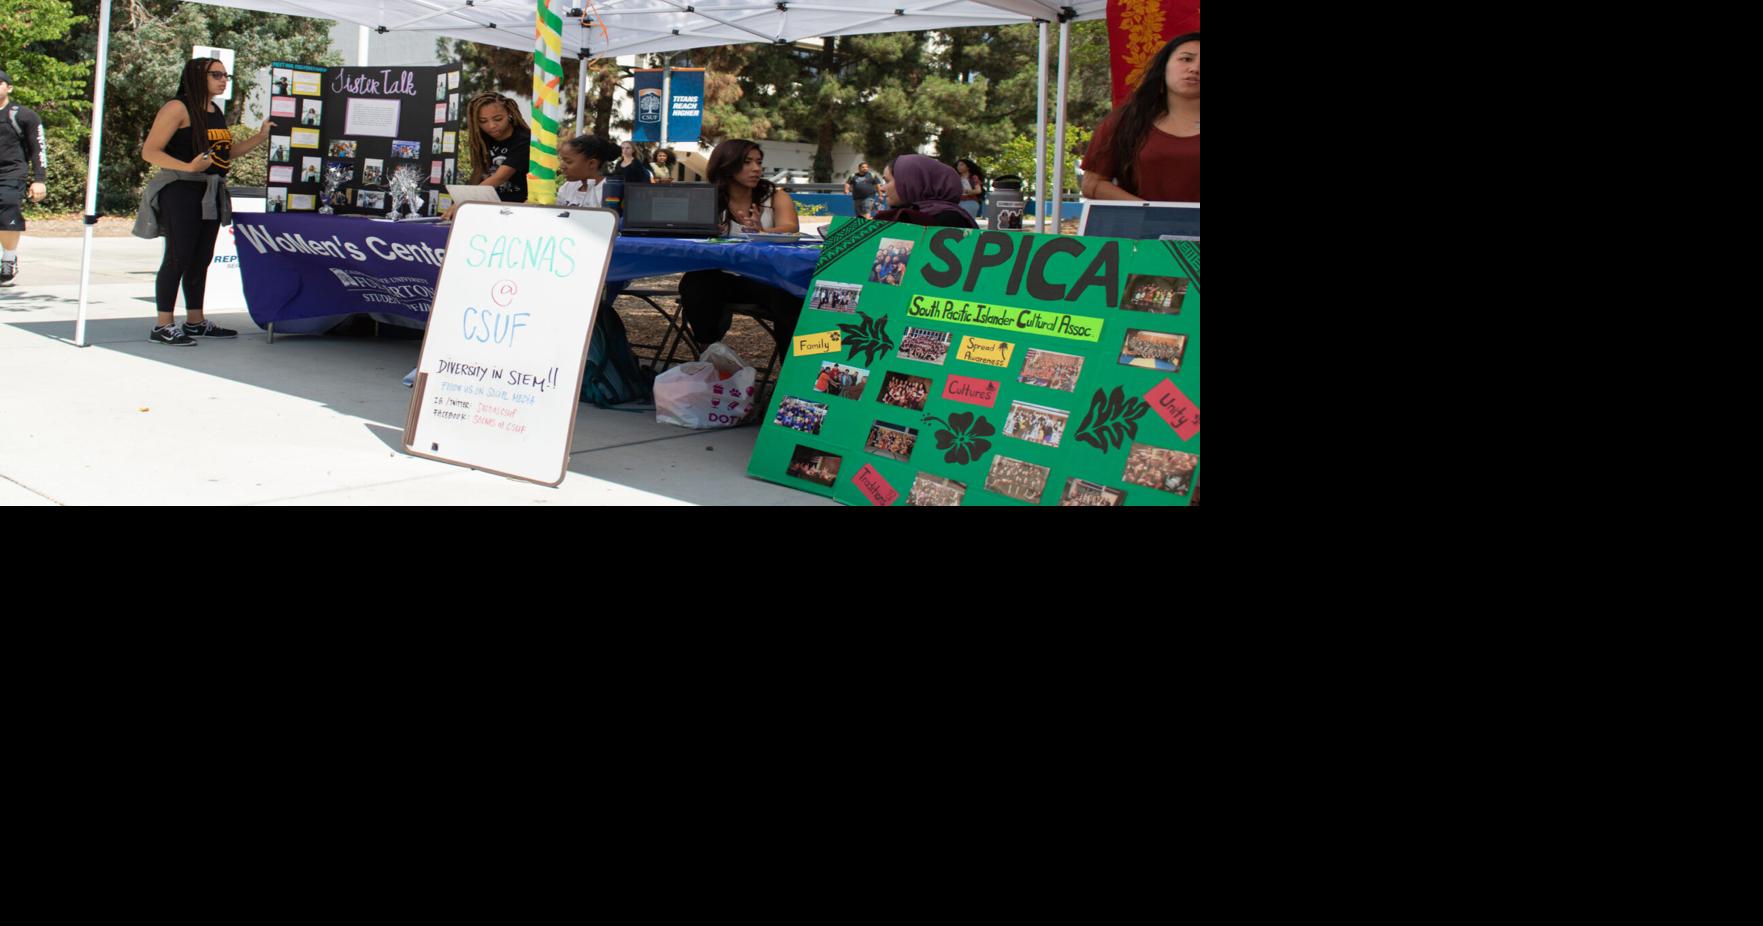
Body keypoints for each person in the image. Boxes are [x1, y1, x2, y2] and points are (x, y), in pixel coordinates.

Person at [134, 58, 274, 345]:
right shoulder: (177, 107)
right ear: (198, 76)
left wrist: (260, 137)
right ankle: (163, 325)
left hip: (209, 191)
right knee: (178, 256)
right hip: (181, 189)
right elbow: (150, 151)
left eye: (226, 75)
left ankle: (195, 321)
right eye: (216, 75)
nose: (224, 80)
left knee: (201, 258)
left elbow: (226, 153)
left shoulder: (214, 110)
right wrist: (187, 167)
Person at [679, 139, 801, 351]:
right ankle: (708, 350)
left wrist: (762, 232)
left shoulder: (775, 196)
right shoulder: (709, 197)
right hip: (725, 278)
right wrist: (704, 231)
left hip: (769, 277)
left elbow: (790, 227)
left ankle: (793, 369)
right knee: (694, 283)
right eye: (747, 162)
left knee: (790, 297)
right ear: (727, 165)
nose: (756, 169)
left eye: (758, 162)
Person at [1079, 32, 1199, 202]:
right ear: (1164, 67)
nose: (1195, 68)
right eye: (1186, 59)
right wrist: (1148, 212)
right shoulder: (1125, 121)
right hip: (1138, 227)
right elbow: (1092, 184)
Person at [0, 69, 48, 287]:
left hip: (11, 174)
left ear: (9, 87)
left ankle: (8, 260)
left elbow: (38, 148)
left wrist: (40, 179)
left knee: (8, 212)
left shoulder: (24, 115)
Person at [874, 154, 979, 229]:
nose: (882, 188)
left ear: (911, 182)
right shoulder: (897, 215)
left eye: (887, 181)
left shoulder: (949, 219)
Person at [464, 92, 531, 203]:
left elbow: (500, 177)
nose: (491, 126)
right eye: (483, 121)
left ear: (509, 113)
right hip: (489, 205)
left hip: (518, 207)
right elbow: (478, 172)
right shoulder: (482, 139)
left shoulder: (523, 139)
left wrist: (464, 200)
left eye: (498, 119)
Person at [555, 134, 619, 207]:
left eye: (568, 162)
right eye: (562, 160)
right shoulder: (567, 187)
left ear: (592, 163)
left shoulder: (609, 192)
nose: (562, 166)